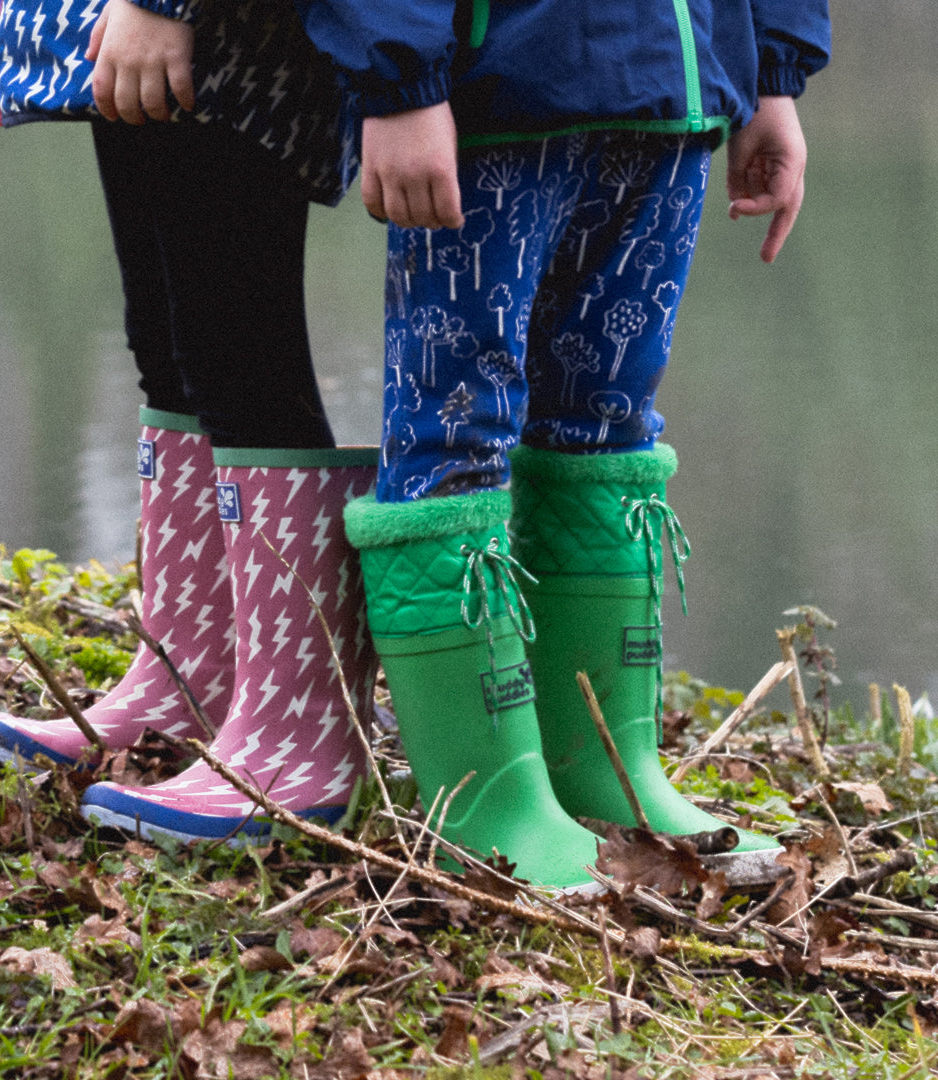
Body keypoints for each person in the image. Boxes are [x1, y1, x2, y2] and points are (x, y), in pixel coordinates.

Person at [285, 1, 831, 891]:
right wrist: (399, 79)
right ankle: (487, 800)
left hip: (677, 89)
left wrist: (772, 70)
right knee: (452, 434)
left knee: (610, 424)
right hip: (496, 87)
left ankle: (603, 768)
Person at [0, 0, 380, 844]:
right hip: (135, 23)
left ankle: (298, 736)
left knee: (237, 351)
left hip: (225, 28)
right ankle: (188, 683)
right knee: (168, 345)